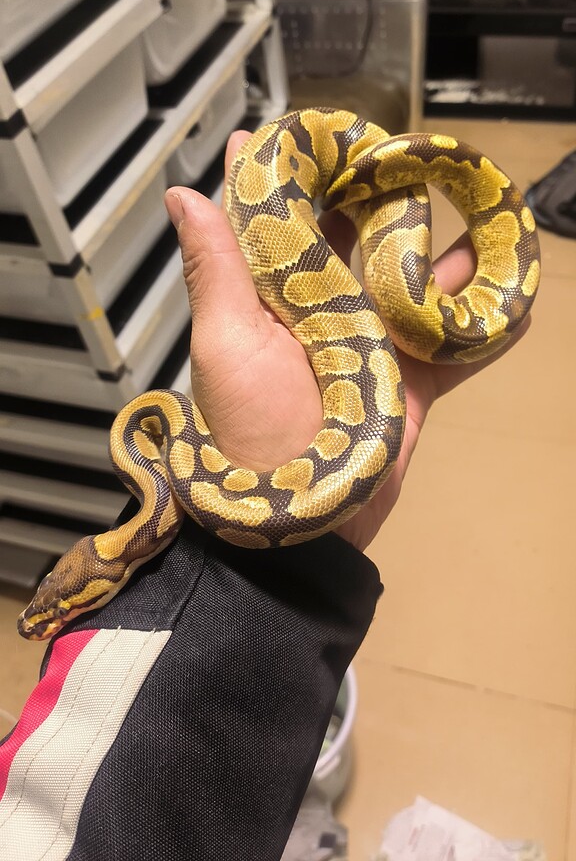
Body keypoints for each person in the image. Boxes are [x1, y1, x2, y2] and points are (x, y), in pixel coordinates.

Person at [0, 131, 530, 861]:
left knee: (400, 245)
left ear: (103, 576)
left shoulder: (171, 466)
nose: (53, 615)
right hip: (293, 453)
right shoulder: (165, 448)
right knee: (398, 240)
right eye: (63, 604)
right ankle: (392, 194)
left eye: (60, 601)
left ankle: (390, 191)